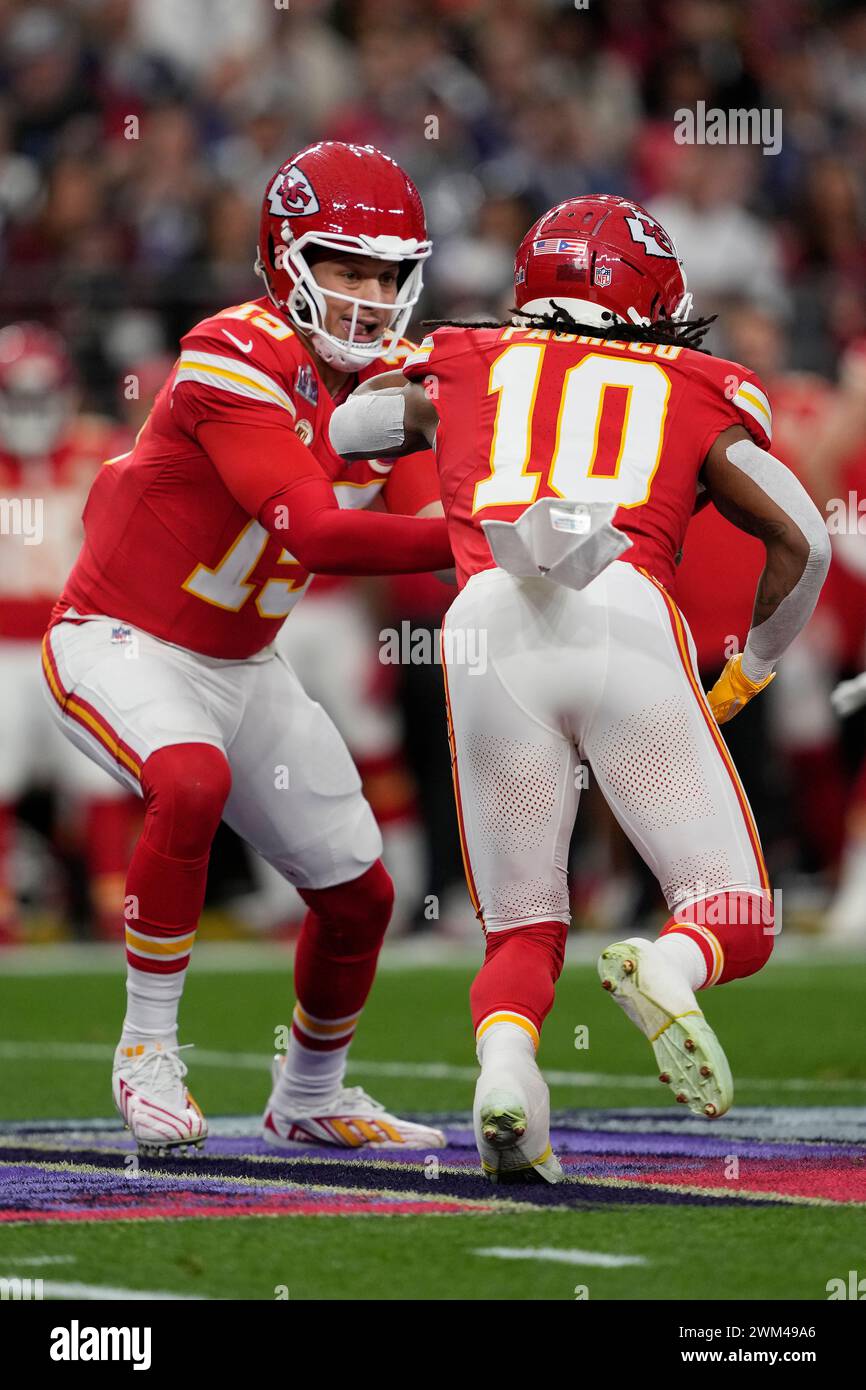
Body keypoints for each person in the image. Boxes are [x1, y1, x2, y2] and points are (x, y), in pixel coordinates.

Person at [330, 194, 831, 1182]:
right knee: (733, 908)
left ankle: (507, 1074)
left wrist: (425, 407)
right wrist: (751, 669)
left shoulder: (468, 355)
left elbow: (351, 426)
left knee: (520, 922)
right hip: (617, 609)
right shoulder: (694, 378)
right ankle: (668, 963)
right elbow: (802, 541)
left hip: (481, 620)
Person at [41, 141, 453, 1156]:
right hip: (119, 639)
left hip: (244, 663)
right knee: (187, 780)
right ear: (285, 259)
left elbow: (431, 514)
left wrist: (521, 537)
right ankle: (145, 1051)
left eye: (386, 272)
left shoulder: (400, 379)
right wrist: (487, 536)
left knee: (360, 893)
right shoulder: (235, 351)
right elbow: (317, 532)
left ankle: (309, 1094)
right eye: (345, 267)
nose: (367, 294)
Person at [0, 322, 134, 943]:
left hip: (78, 639)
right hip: (5, 648)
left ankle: (116, 910)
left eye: (39, 399)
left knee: (99, 779)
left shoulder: (98, 449)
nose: (30, 416)